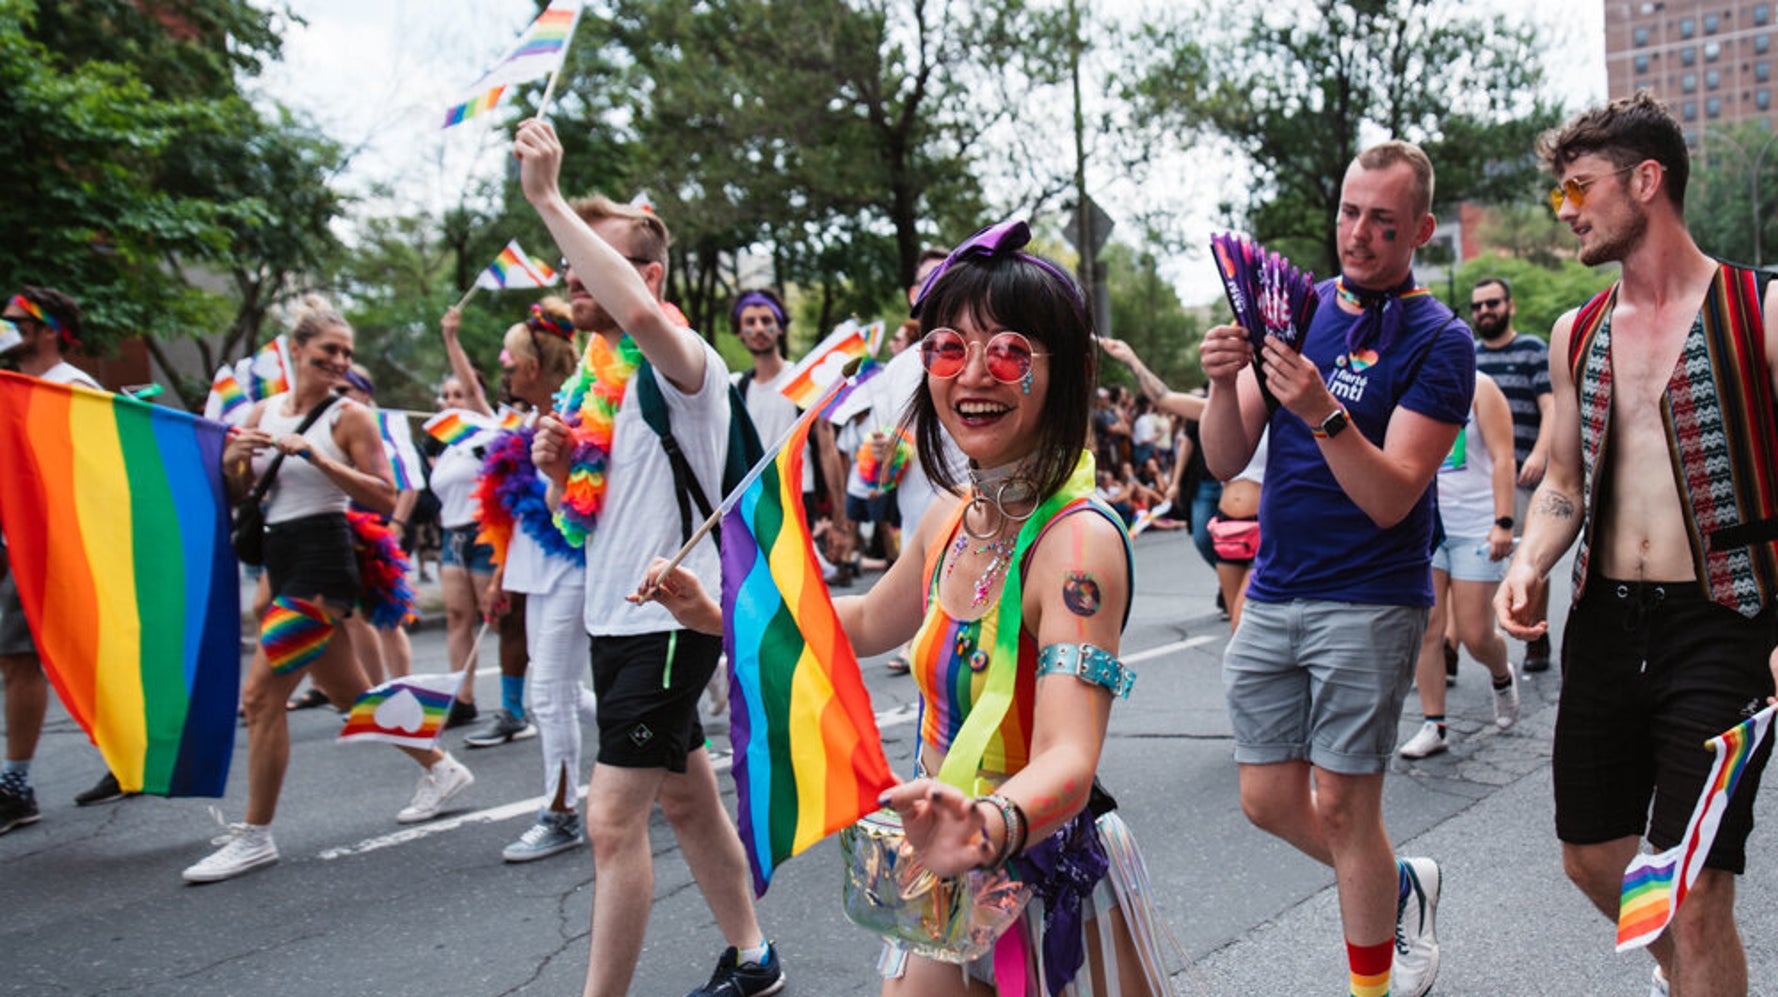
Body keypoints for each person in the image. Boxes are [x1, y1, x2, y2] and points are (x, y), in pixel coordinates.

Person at [639, 218, 1175, 997]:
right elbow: (861, 623)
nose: (972, 377)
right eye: (948, 350)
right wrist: (718, 610)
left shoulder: (1078, 543)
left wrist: (985, 826)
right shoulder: (951, 514)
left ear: (1067, 371)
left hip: (1042, 872)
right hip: (943, 865)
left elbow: (1067, 754)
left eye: (1009, 354)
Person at [1496, 92, 1778, 997]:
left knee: (1695, 891)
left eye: (1579, 188)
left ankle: (1700, 963)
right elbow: (1566, 489)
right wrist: (1528, 560)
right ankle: (1694, 975)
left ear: (1646, 181)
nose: (1567, 209)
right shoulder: (1578, 334)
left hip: (1726, 617)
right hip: (1608, 621)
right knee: (1589, 853)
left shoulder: (1760, 309)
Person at [1199, 140, 1474, 997]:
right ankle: (1398, 884)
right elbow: (1225, 456)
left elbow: (1393, 497)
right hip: (1275, 591)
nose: (1357, 234)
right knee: (1266, 797)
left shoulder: (1442, 340)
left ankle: (1372, 986)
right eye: (1350, 212)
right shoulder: (1300, 306)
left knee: (1349, 807)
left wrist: (1321, 409)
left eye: (1382, 222)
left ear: (1420, 228)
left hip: (1370, 598)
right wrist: (1220, 383)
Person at [516, 119, 782, 997]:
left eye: (594, 257)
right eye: (569, 258)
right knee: (684, 797)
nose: (573, 274)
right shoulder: (598, 385)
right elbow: (587, 526)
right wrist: (559, 478)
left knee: (608, 821)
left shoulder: (682, 364)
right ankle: (754, 954)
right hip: (610, 614)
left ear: (647, 273)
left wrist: (549, 198)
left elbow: (630, 307)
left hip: (668, 620)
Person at [184, 298, 474, 883]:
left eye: (346, 353)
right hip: (281, 556)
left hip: (324, 564)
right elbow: (245, 494)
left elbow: (382, 494)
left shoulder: (350, 418)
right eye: (327, 353)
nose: (339, 362)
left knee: (262, 697)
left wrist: (317, 458)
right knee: (354, 696)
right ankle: (441, 767)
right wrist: (237, 463)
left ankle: (255, 835)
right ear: (296, 351)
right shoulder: (264, 410)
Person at [0, 287, 130, 832]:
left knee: (20, 660)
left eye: (14, 321)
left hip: (44, 548)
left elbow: (98, 476)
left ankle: (15, 786)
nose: (4, 329)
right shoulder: (15, 387)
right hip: (14, 541)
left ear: (48, 330)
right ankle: (129, 757)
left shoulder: (70, 390)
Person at [476, 298, 599, 861]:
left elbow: (577, 499)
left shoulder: (577, 412)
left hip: (571, 566)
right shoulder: (526, 420)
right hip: (537, 570)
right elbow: (514, 515)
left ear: (531, 367)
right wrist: (500, 575)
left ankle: (561, 812)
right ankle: (676, 729)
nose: (503, 372)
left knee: (549, 695)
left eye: (509, 362)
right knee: (567, 690)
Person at [1399, 372, 1519, 759]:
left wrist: (1503, 522)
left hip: (1476, 528)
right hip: (1427, 525)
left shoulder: (1480, 387)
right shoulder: (1410, 384)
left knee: (1474, 634)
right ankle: (1434, 725)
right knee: (1428, 628)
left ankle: (1501, 675)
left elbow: (1503, 457)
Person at [437, 309, 535, 748]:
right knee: (485, 622)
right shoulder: (473, 437)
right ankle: (499, 707)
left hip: (531, 537)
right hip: (479, 539)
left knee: (515, 628)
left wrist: (451, 339)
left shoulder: (507, 425)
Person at [1470, 276, 1556, 673]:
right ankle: (1462, 636)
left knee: (1529, 556)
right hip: (1476, 480)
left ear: (1510, 305)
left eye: (1492, 303)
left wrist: (1540, 454)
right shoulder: (1469, 355)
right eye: (1478, 306)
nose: (1485, 311)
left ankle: (1534, 633)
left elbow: (1551, 407)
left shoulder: (1532, 350)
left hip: (1522, 472)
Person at [432, 317, 503, 730]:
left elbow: (474, 393)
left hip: (483, 535)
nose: (452, 400)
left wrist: (450, 338)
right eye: (446, 395)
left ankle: (519, 693)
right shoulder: (445, 450)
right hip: (451, 537)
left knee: (496, 620)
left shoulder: (486, 434)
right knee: (458, 618)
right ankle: (463, 697)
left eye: (459, 393)